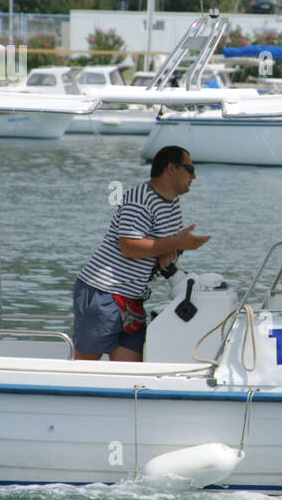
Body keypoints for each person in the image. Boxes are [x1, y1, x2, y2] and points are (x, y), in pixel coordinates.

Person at [73, 146, 209, 361]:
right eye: (189, 169)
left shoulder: (172, 204)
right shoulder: (140, 199)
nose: (194, 176)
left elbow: (161, 247)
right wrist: (176, 243)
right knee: (85, 366)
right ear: (171, 168)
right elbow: (129, 246)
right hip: (103, 292)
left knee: (130, 372)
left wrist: (174, 249)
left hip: (133, 298)